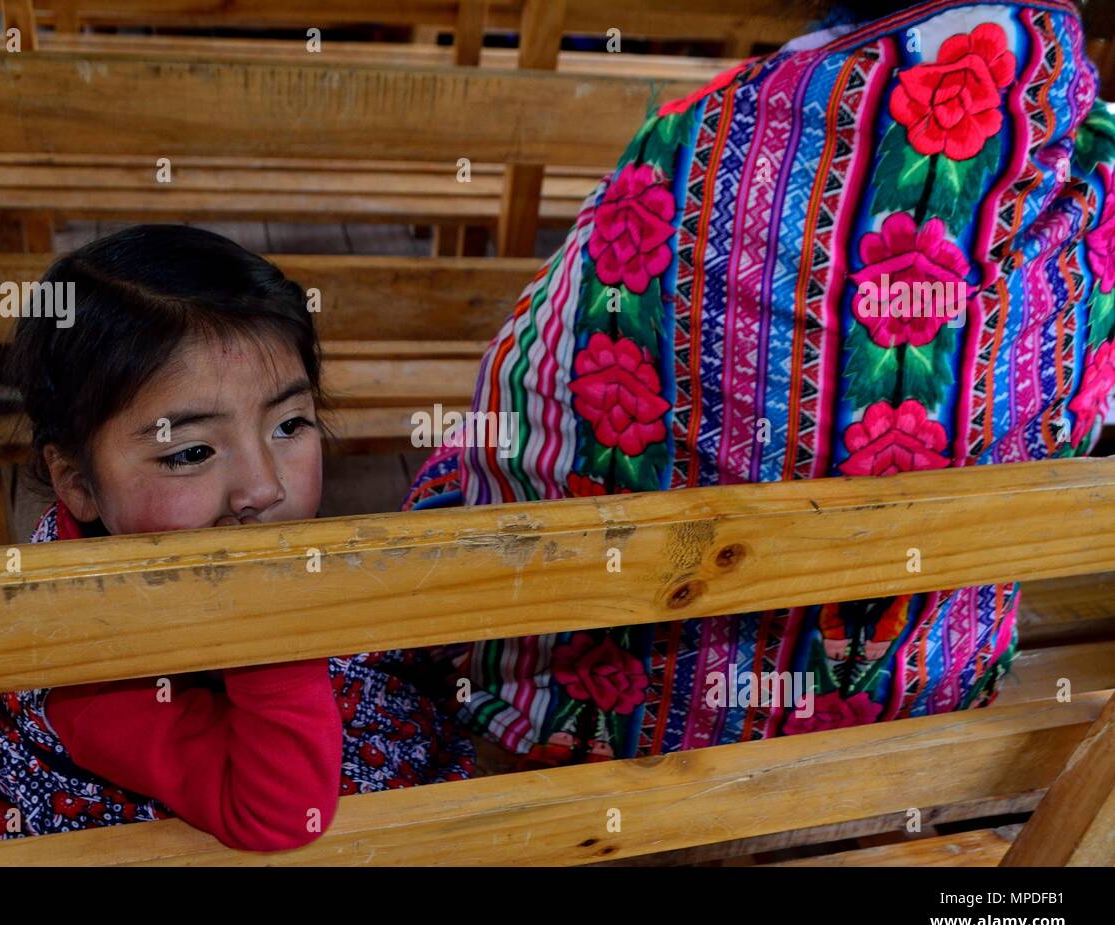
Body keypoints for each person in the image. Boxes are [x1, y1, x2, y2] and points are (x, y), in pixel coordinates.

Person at [402, 0, 1115, 765]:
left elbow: (530, 401)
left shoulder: (693, 142)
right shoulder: (1092, 181)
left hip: (617, 723)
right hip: (923, 706)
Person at [0, 225, 473, 849]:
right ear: (79, 484)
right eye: (192, 451)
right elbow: (278, 816)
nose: (262, 488)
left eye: (289, 425)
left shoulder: (194, 545)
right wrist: (272, 634)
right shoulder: (87, 674)